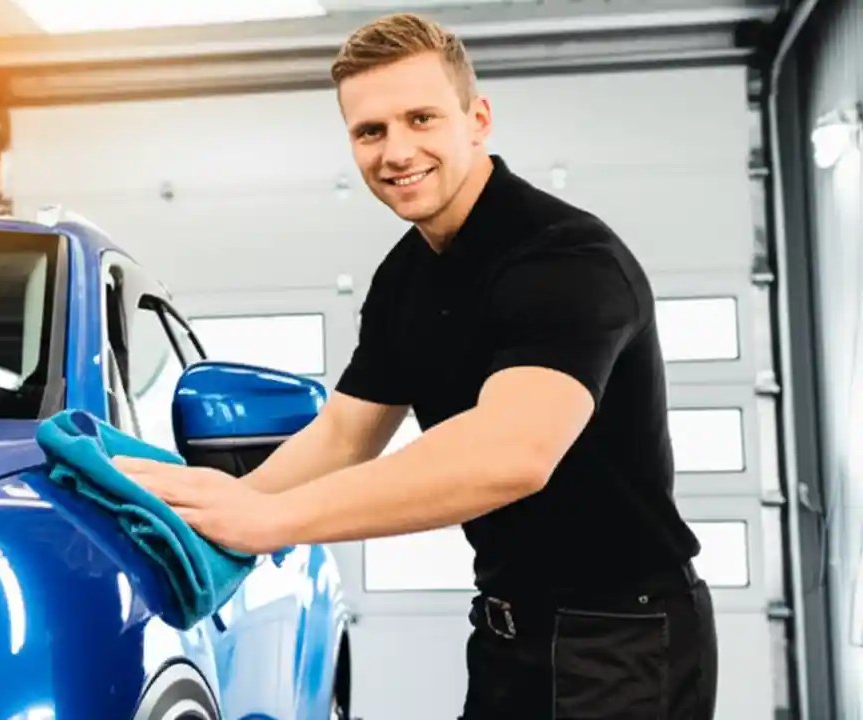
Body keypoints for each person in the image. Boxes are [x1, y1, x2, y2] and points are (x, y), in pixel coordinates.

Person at [116, 12, 718, 719]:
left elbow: (512, 455)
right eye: (370, 131)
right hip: (504, 628)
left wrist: (270, 522)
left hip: (621, 638)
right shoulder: (405, 279)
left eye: (421, 119)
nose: (396, 151)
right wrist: (204, 516)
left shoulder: (563, 258)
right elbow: (344, 436)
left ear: (477, 119)